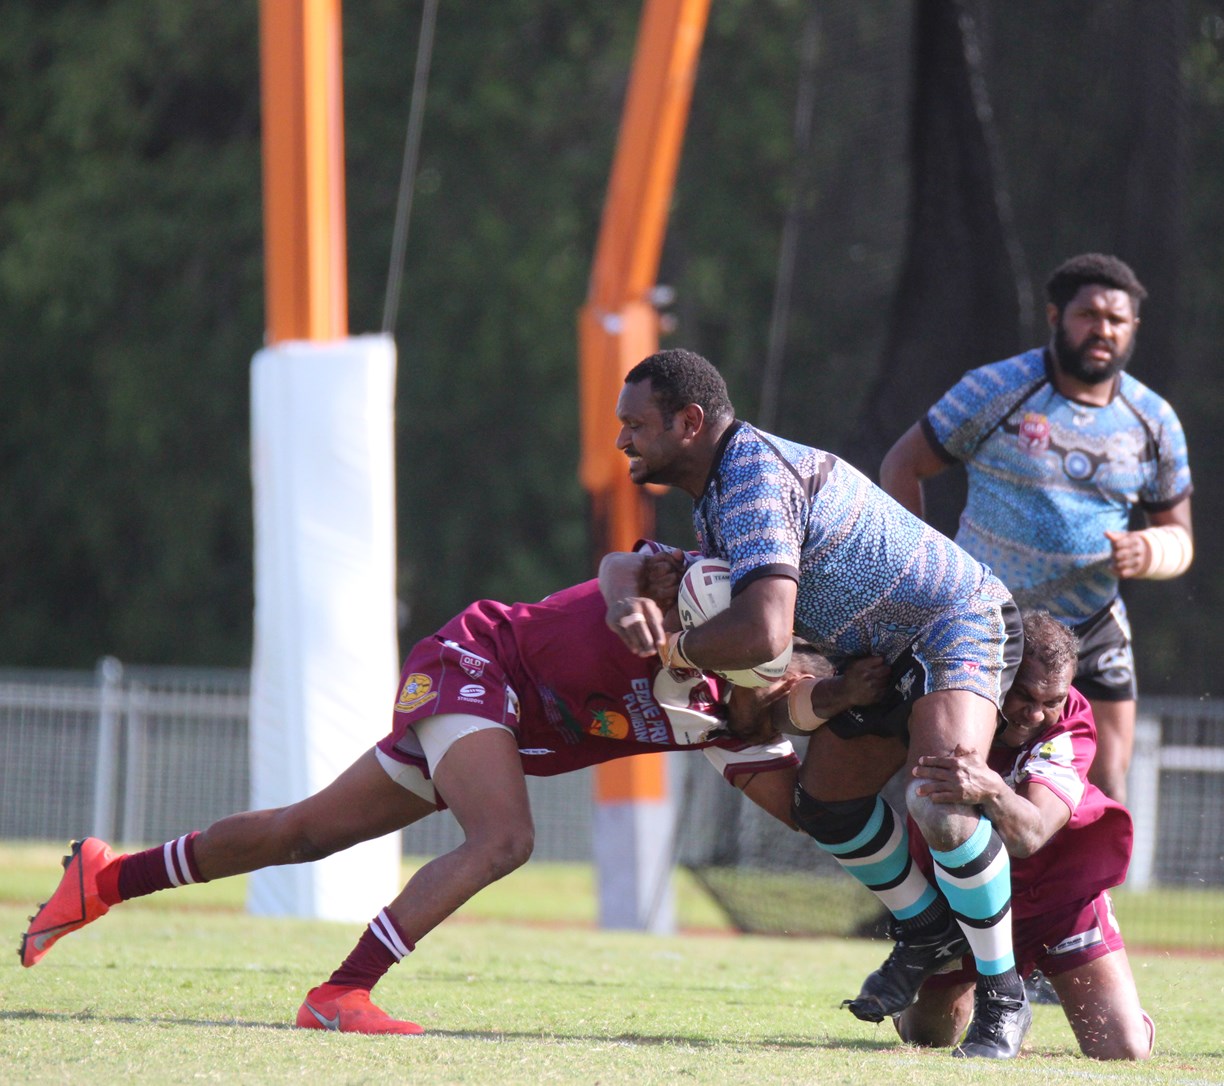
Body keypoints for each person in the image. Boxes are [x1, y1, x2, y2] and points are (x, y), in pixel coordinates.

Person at [19, 568, 882, 1036]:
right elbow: (627, 564)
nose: (773, 702)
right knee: (504, 839)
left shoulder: (739, 720)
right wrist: (626, 601)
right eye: (771, 684)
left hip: (495, 722)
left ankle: (107, 878)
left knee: (304, 833)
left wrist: (853, 740)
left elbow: (809, 813)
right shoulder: (664, 622)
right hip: (474, 667)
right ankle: (342, 992)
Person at [607, 348, 1031, 1058]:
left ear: (689, 421)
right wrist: (638, 596)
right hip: (878, 656)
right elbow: (644, 573)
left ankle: (1004, 997)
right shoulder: (718, 496)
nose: (622, 440)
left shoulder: (749, 476)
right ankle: (927, 931)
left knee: (941, 803)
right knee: (825, 805)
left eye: (635, 424)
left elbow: (765, 631)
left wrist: (674, 650)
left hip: (959, 618)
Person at [879, 253, 1193, 804]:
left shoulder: (1155, 421)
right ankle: (940, 888)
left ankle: (1090, 895)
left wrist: (1153, 549)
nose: (1103, 329)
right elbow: (902, 466)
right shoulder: (996, 389)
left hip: (1093, 626)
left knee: (1104, 787)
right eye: (1088, 314)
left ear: (1133, 330)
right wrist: (922, 578)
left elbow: (1180, 537)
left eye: (1117, 320)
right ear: (1055, 316)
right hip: (989, 620)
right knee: (953, 775)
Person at [897, 610, 1154, 1059]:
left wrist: (991, 787)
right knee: (928, 1036)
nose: (1036, 714)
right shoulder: (955, 698)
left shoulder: (1071, 721)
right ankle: (929, 992)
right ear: (1001, 671)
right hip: (958, 899)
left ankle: (1129, 1012)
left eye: (1051, 699)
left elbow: (1030, 834)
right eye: (1023, 694)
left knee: (1123, 1049)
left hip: (1056, 896)